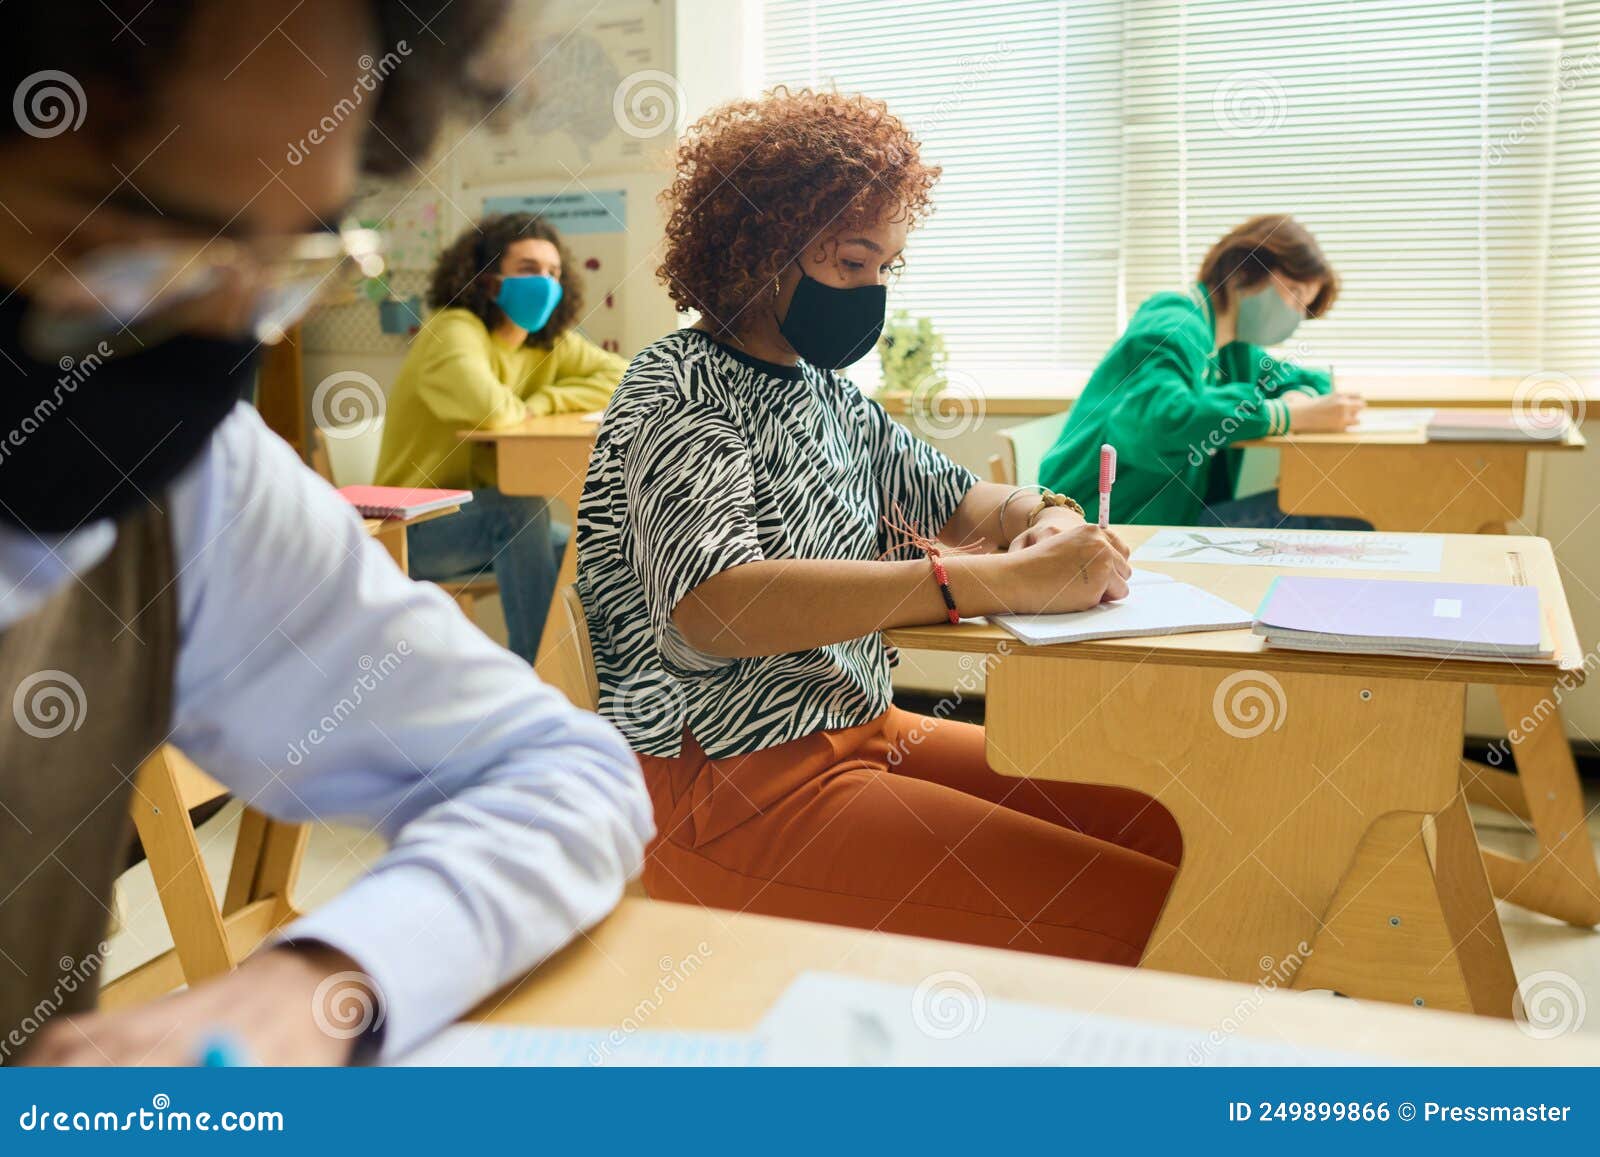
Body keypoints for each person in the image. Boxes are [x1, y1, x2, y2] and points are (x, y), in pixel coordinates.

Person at [0, 0, 651, 1065]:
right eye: (116, 246)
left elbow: (558, 771)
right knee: (526, 529)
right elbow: (497, 408)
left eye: (284, 255)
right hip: (429, 522)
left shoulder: (188, 485)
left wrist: (319, 985)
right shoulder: (456, 334)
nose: (215, 334)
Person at [577, 89, 1181, 967]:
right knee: (1165, 910)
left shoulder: (827, 396)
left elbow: (960, 498)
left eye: (885, 268)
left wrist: (1045, 515)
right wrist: (998, 582)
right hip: (732, 787)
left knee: (1178, 825)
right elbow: (717, 606)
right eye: (853, 263)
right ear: (761, 249)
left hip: (868, 729)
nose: (871, 293)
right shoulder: (676, 387)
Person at [374, 213, 624, 663]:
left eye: (553, 273)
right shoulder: (452, 330)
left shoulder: (545, 343)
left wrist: (545, 400)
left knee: (596, 548)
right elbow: (491, 409)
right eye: (528, 269)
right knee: (520, 511)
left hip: (480, 525)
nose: (545, 283)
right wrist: (528, 404)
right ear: (488, 280)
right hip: (411, 530)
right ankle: (538, 672)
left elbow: (626, 377)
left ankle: (594, 677)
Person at [1039, 215, 1370, 529]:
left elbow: (1308, 379)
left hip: (1171, 518)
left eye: (1304, 308)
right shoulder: (1174, 320)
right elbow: (1159, 417)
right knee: (1337, 513)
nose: (1295, 316)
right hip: (1099, 521)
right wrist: (1287, 415)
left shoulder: (1234, 351)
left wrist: (1297, 400)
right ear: (1243, 270)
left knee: (1335, 505)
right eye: (1295, 294)